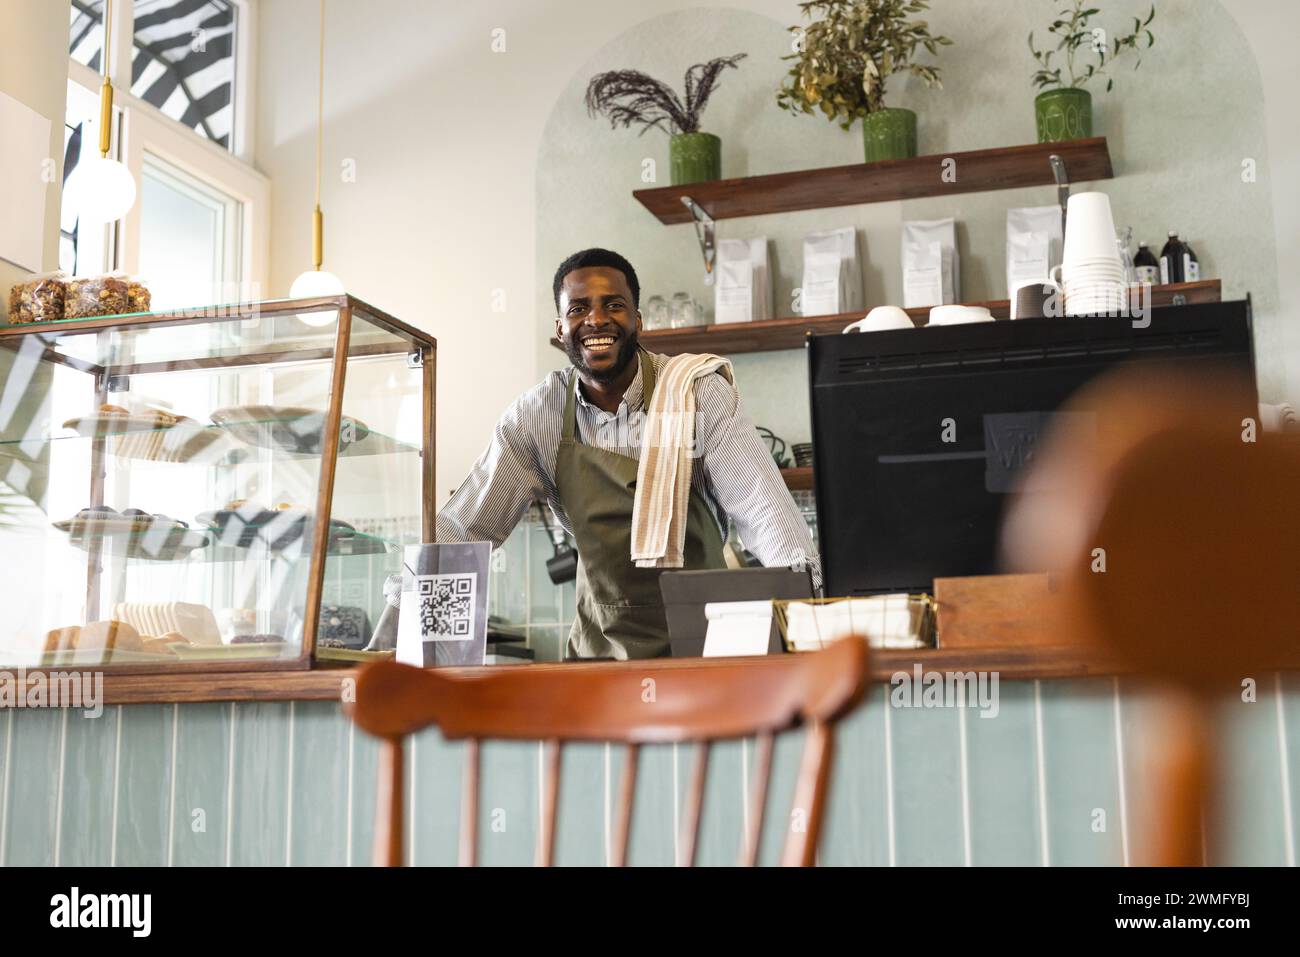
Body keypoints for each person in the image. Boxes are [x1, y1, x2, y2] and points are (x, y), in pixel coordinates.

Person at [438, 247, 820, 659]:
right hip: (596, 663)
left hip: (705, 656)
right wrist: (399, 638)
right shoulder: (536, 416)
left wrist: (814, 620)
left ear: (637, 321)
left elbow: (764, 512)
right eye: (578, 308)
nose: (596, 320)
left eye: (613, 305)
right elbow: (463, 532)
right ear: (560, 327)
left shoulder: (697, 394)